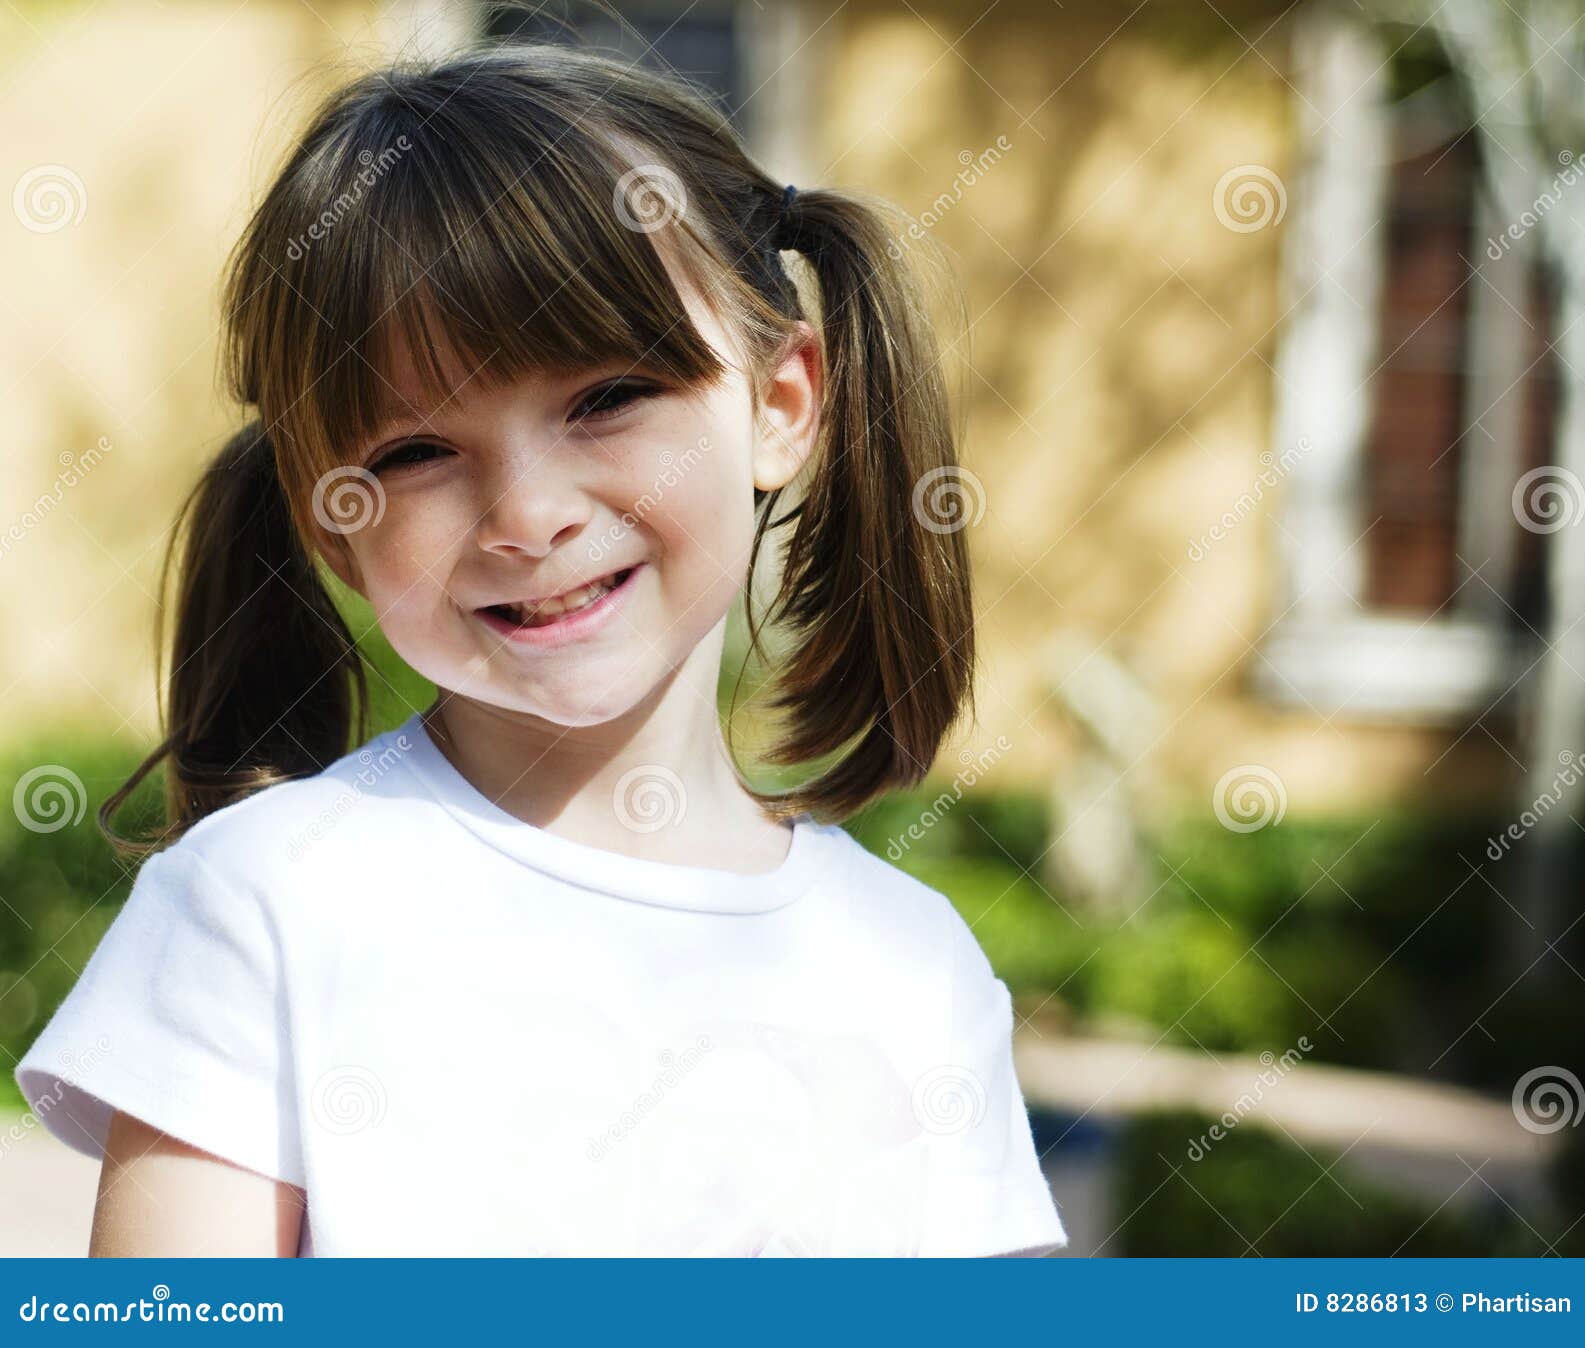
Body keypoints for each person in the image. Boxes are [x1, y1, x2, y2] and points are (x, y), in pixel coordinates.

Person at [14, 34, 1067, 1259]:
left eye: (607, 397)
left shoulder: (913, 970)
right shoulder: (262, 909)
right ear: (335, 522)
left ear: (780, 403)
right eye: (416, 452)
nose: (527, 514)